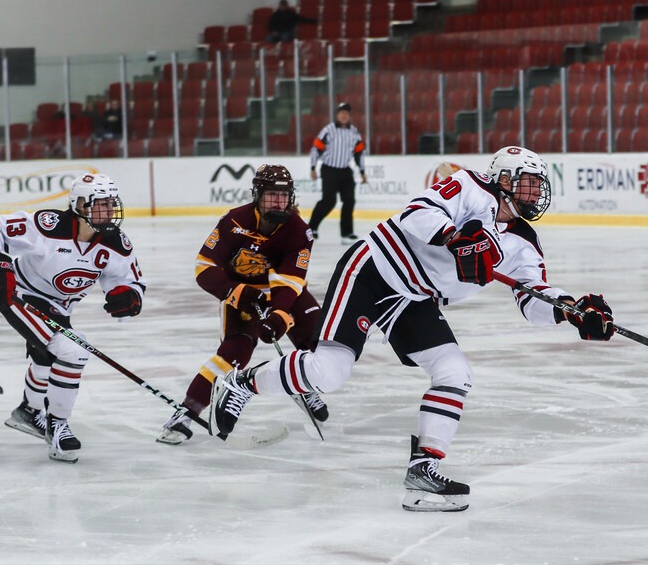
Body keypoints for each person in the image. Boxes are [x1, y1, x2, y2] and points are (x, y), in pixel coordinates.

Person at [209, 146, 616, 512]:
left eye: (538, 185)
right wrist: (455, 238)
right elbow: (416, 213)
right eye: (529, 183)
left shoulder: (524, 242)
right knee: (328, 373)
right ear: (505, 179)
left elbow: (533, 298)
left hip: (415, 297)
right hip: (374, 269)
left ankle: (424, 470)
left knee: (455, 371)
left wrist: (572, 310)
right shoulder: (470, 187)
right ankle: (241, 383)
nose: (536, 193)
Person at [0, 173, 145, 463]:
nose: (109, 210)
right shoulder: (48, 226)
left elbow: (131, 280)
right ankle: (58, 425)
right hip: (21, 296)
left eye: (111, 203)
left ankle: (28, 412)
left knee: (46, 358)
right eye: (101, 204)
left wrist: (129, 296)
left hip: (60, 308)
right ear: (79, 205)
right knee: (74, 351)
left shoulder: (116, 243)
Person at [157, 164, 328, 445]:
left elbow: (289, 282)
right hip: (241, 295)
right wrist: (238, 292)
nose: (278, 201)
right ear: (257, 194)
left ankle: (301, 382)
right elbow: (204, 267)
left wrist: (278, 314)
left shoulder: (299, 231)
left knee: (319, 343)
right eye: (271, 195)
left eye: (283, 195)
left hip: (285, 294)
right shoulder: (233, 221)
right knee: (233, 354)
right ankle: (186, 413)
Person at [309, 102, 367, 244]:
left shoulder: (354, 132)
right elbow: (316, 149)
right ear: (337, 115)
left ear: (349, 116)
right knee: (329, 201)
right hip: (329, 169)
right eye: (341, 113)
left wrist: (362, 171)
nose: (344, 116)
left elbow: (359, 153)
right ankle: (312, 228)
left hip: (345, 170)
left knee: (349, 200)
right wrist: (313, 167)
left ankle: (346, 233)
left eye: (346, 113)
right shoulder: (328, 130)